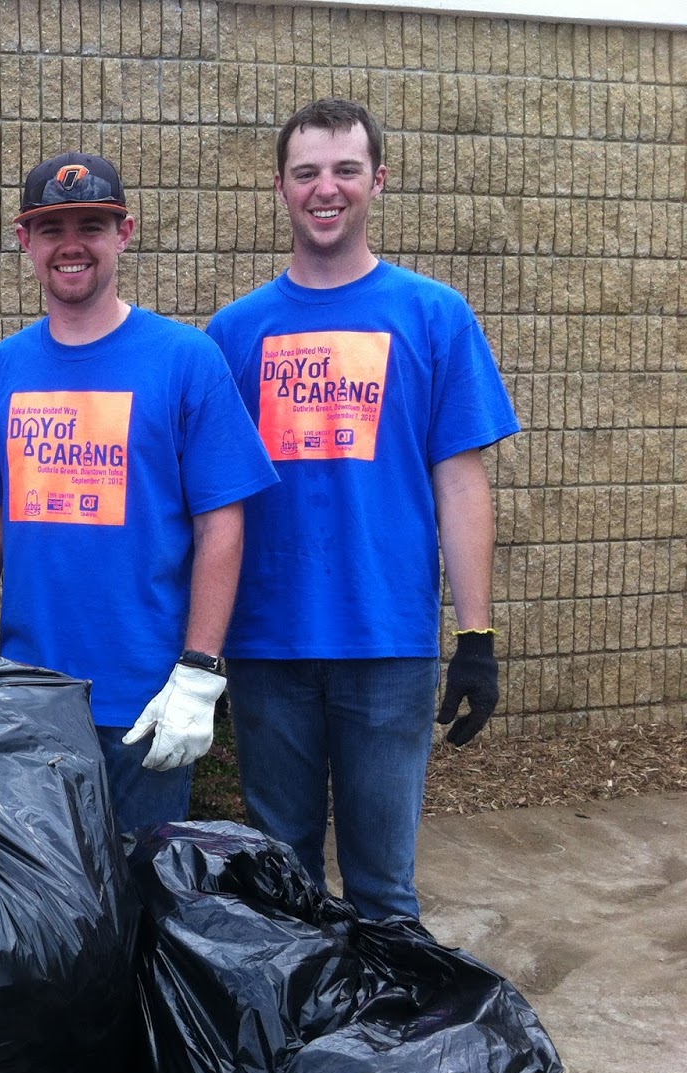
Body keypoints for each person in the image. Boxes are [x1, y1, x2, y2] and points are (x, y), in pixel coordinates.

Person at [205, 98, 522, 921]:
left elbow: (460, 481)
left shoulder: (433, 315)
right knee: (285, 883)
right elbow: (209, 502)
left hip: (388, 643)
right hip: (267, 645)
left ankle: (389, 1048)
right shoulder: (234, 333)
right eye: (307, 172)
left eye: (346, 169)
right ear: (280, 186)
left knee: (384, 888)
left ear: (378, 180)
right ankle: (301, 1046)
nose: (326, 189)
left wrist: (476, 637)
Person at [0, 152, 277, 834]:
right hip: (31, 695)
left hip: (147, 696)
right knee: (47, 905)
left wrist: (198, 671)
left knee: (140, 895)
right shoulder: (5, 367)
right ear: (24, 240)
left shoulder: (185, 360)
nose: (72, 244)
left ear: (124, 233)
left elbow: (223, 524)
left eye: (91, 225)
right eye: (51, 227)